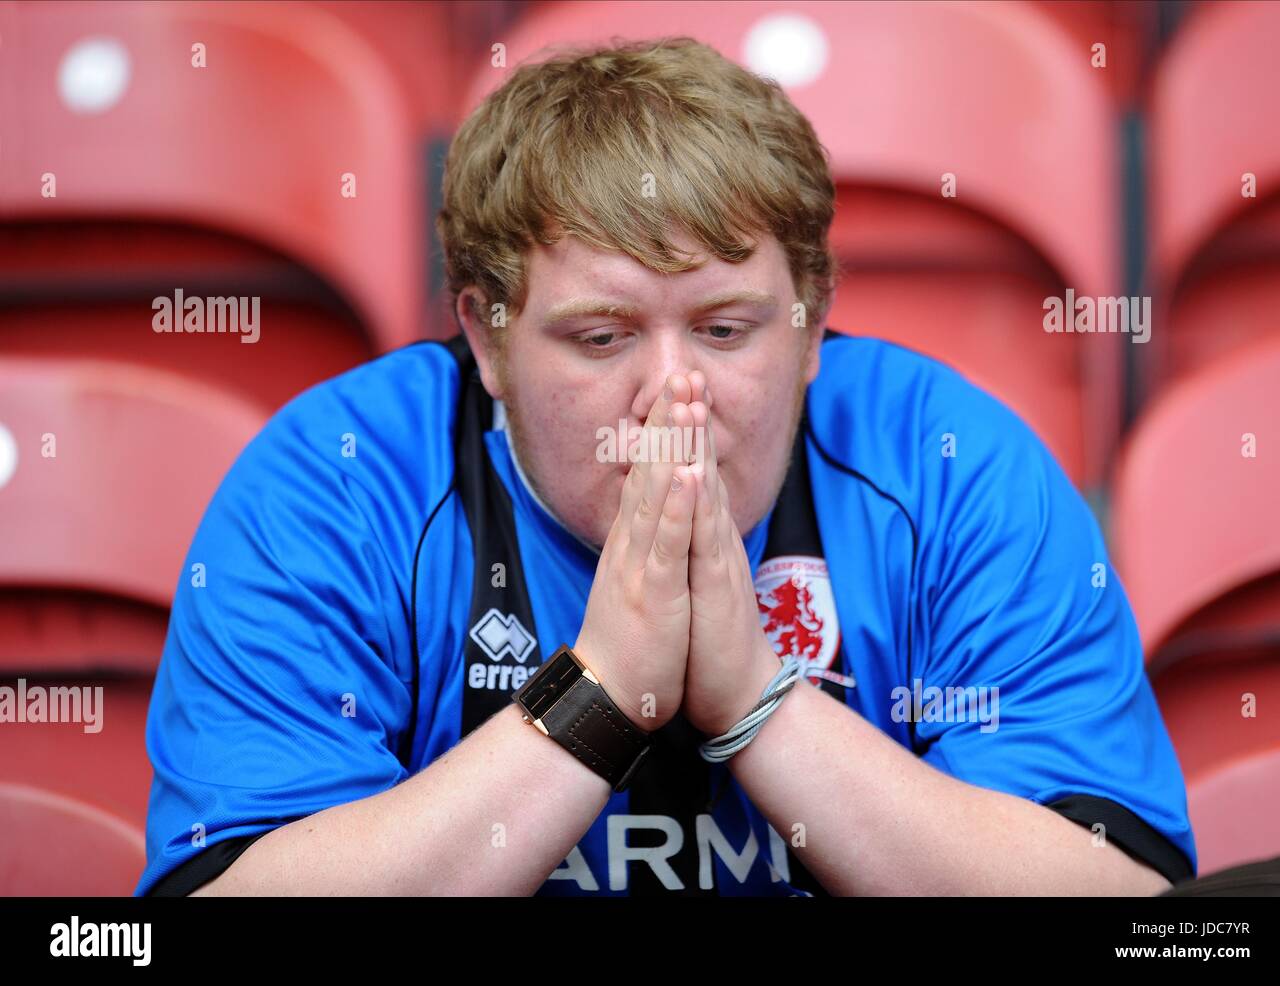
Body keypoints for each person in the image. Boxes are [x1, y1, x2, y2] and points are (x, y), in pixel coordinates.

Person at [135, 37, 1194, 896]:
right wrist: (598, 693)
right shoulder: (337, 481)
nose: (671, 394)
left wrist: (755, 701)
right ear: (489, 337)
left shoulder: (950, 464)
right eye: (601, 338)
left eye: (727, 331)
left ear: (812, 319)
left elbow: (1133, 910)